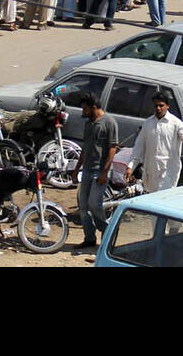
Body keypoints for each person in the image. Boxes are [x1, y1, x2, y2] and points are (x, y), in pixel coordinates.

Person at [72, 92, 118, 250]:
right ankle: (89, 238)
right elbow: (85, 148)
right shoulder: (89, 123)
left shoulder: (109, 122)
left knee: (94, 204)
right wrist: (77, 168)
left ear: (94, 107)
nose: (83, 112)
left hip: (100, 171)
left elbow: (112, 148)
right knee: (83, 207)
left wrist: (105, 172)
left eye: (85, 109)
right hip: (87, 171)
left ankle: (107, 233)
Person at [129, 92, 183, 193]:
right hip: (151, 170)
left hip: (168, 170)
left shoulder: (175, 123)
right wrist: (131, 166)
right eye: (156, 106)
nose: (158, 108)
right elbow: (139, 146)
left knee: (164, 196)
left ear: (167, 106)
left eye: (161, 105)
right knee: (152, 197)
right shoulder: (148, 123)